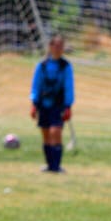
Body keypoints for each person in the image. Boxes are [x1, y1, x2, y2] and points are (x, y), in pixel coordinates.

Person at [30, 34, 74, 173]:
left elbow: (69, 86)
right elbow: (36, 86)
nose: (59, 48)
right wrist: (34, 104)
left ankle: (56, 166)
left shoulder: (65, 66)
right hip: (43, 104)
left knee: (55, 132)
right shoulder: (42, 66)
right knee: (46, 134)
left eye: (61, 46)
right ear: (50, 46)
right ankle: (49, 165)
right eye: (56, 45)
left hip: (58, 105)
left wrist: (68, 106)